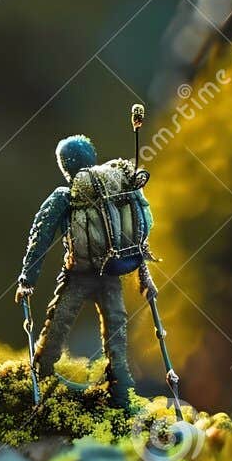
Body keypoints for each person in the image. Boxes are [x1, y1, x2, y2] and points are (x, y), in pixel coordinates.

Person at [14, 134, 153, 409]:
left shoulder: (65, 196)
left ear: (65, 167)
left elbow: (41, 236)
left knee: (58, 324)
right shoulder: (116, 191)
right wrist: (144, 277)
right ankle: (121, 390)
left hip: (78, 275)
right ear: (93, 157)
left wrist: (27, 279)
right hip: (112, 271)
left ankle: (42, 376)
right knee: (116, 331)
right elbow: (133, 237)